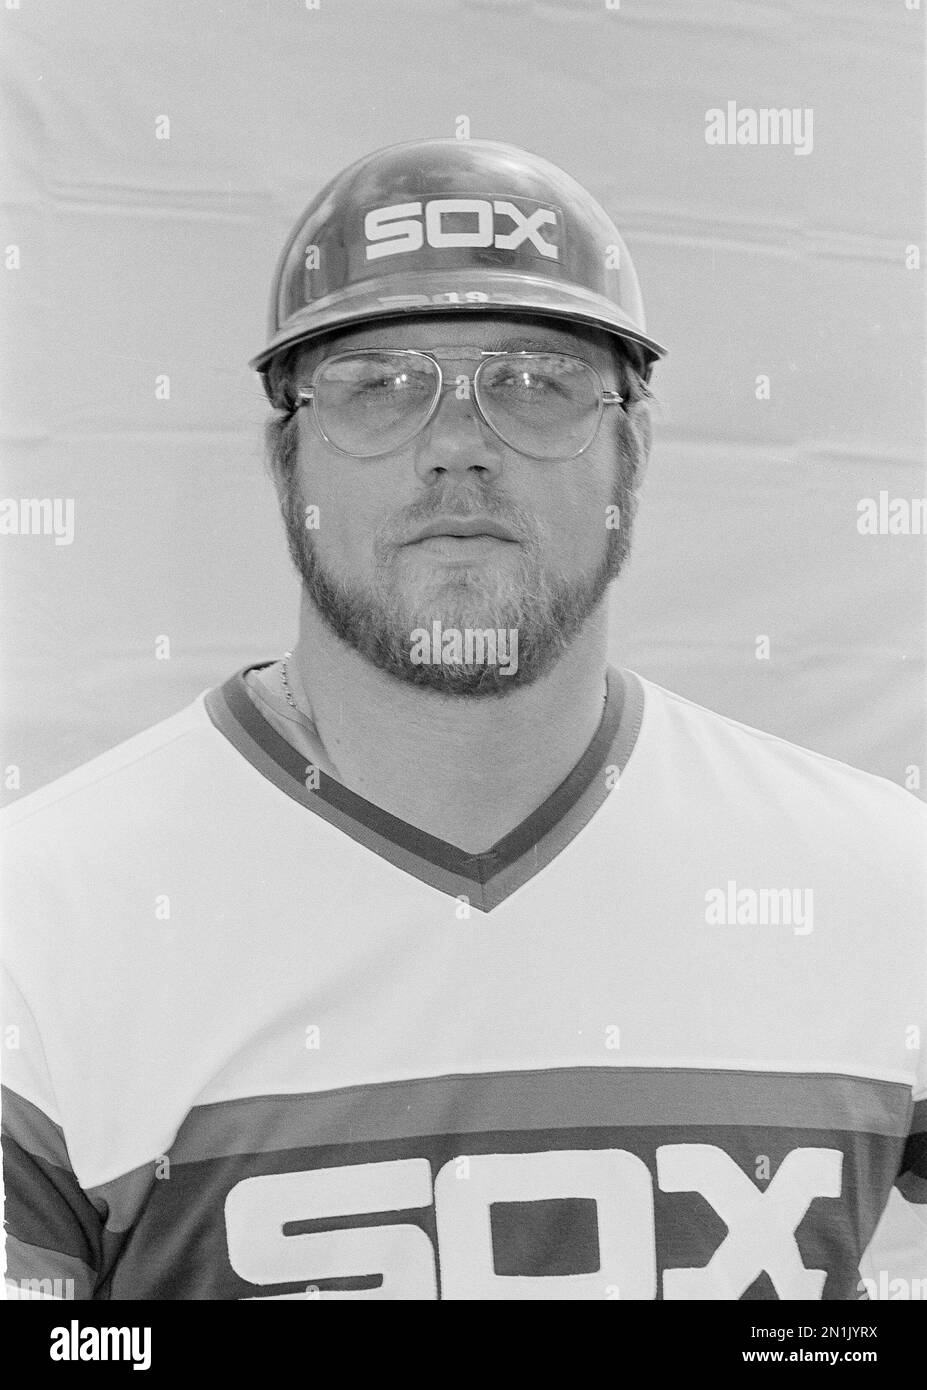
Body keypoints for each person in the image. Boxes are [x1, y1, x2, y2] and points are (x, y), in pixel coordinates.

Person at [2, 139, 924, 1301]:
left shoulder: (884, 885)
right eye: (376, 385)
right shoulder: (40, 924)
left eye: (536, 381)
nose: (456, 446)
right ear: (287, 458)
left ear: (631, 454)